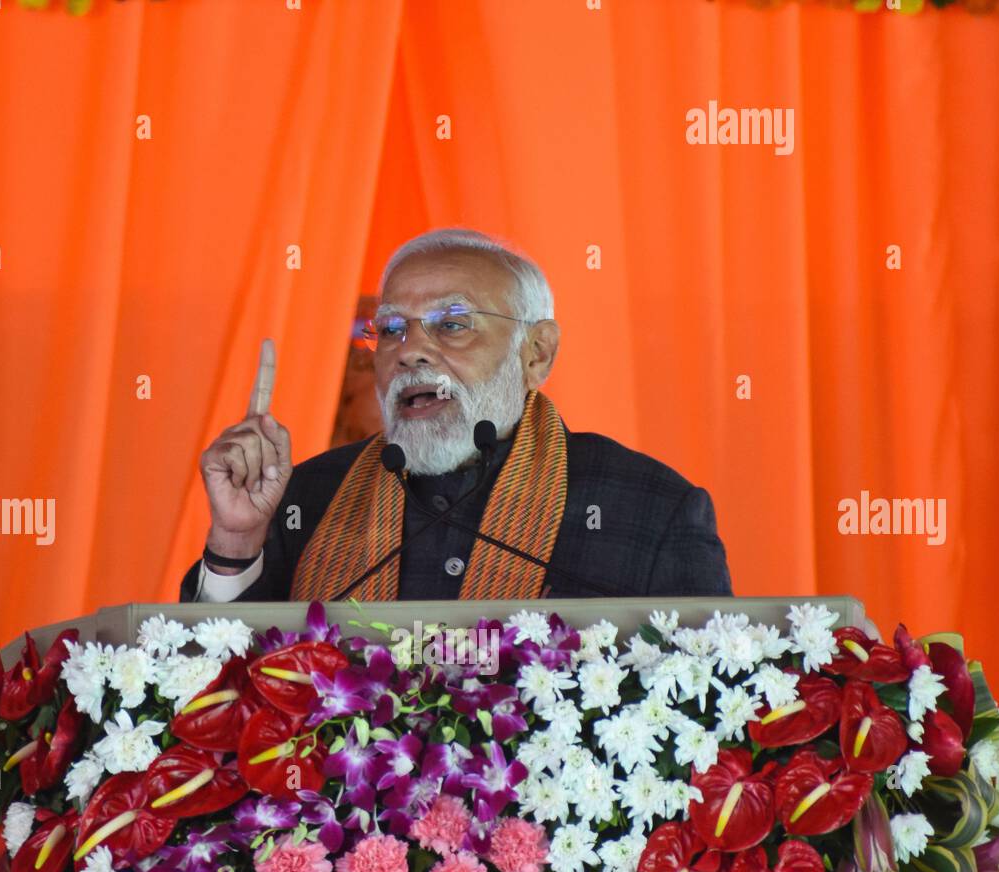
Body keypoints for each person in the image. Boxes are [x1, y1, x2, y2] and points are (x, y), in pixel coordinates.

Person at [181, 228, 732, 604]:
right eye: (392, 329)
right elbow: (213, 705)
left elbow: (707, 727)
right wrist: (236, 539)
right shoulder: (304, 500)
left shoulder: (651, 509)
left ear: (535, 353)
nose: (409, 351)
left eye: (451, 324)